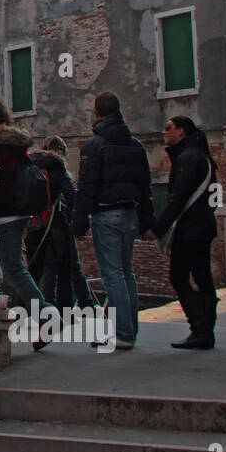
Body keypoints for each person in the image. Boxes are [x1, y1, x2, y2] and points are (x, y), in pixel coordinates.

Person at [0, 96, 57, 348]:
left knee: (13, 268)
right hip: (18, 212)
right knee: (0, 265)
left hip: (1, 212)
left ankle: (46, 314)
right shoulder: (15, 143)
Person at [71, 91, 155, 351]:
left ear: (97, 113)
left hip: (106, 215)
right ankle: (130, 331)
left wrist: (78, 222)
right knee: (127, 273)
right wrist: (147, 220)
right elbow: (145, 187)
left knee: (113, 275)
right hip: (130, 214)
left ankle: (123, 334)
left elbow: (87, 187)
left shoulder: (94, 145)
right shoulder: (136, 145)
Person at [154, 116, 220, 349]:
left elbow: (177, 199)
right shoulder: (203, 157)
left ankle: (199, 327)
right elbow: (215, 196)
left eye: (168, 127)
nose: (164, 132)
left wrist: (159, 228)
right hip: (203, 227)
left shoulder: (188, 158)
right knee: (203, 277)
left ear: (181, 131)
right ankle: (205, 331)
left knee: (179, 277)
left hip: (190, 230)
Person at [26, 136, 97, 310]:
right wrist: (75, 220)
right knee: (67, 269)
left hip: (35, 226)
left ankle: (35, 310)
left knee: (38, 271)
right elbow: (73, 195)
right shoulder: (57, 167)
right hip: (57, 224)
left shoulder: (31, 166)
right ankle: (71, 309)